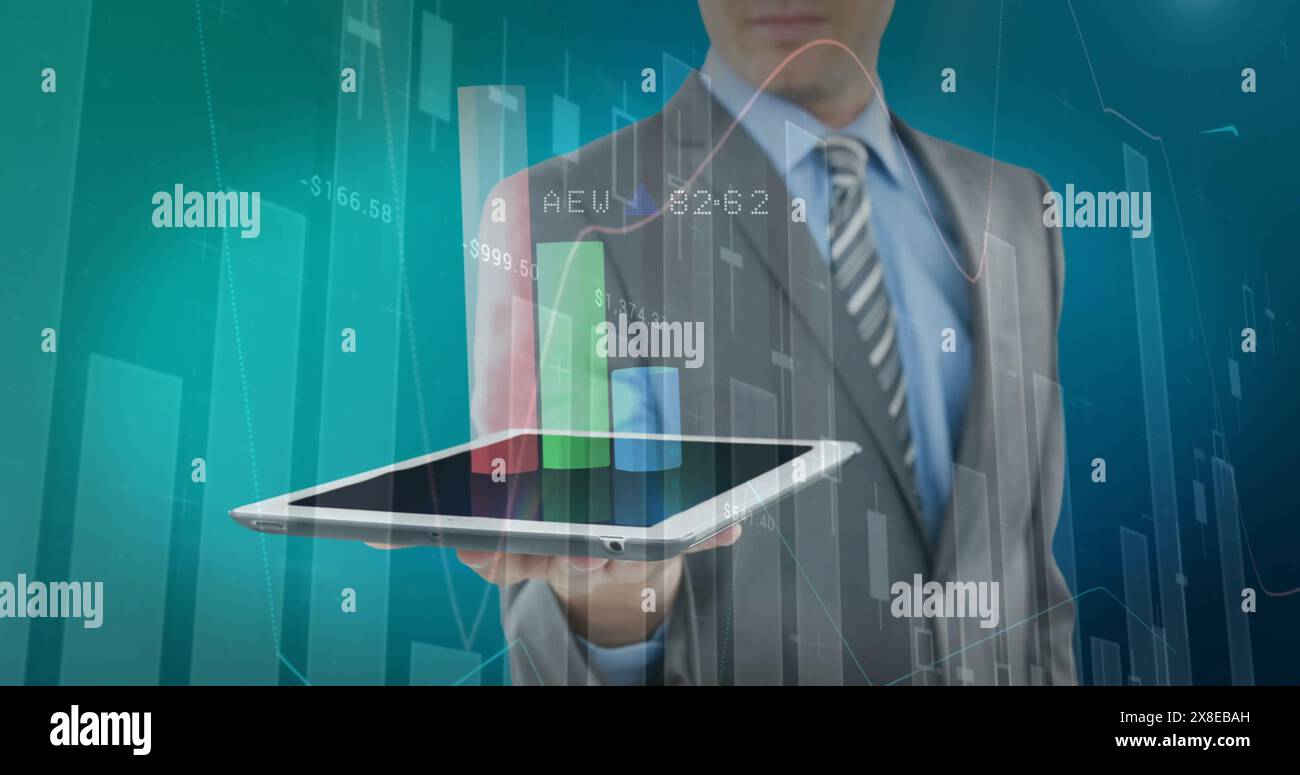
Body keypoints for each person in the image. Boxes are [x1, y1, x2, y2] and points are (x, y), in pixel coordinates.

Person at [454, 0, 1074, 685]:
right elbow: (552, 633)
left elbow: (1029, 576)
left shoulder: (1016, 211)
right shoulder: (563, 213)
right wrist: (616, 609)